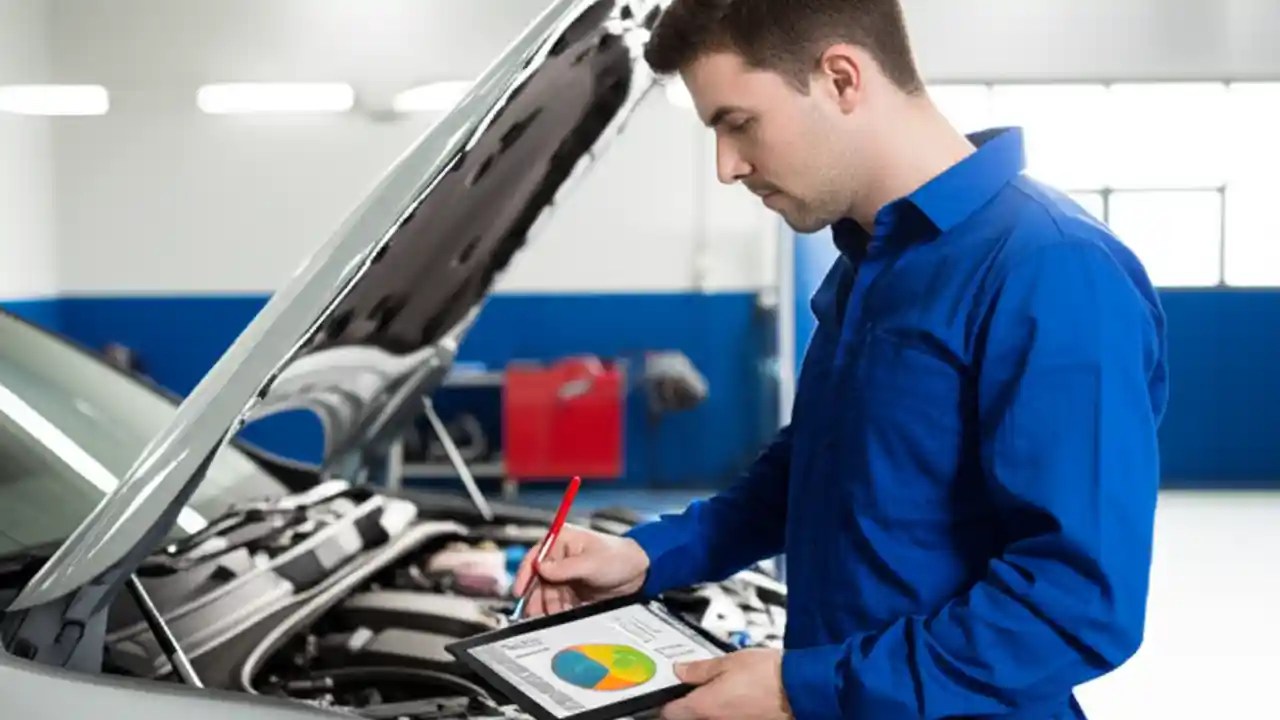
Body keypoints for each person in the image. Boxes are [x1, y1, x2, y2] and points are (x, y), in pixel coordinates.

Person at [513, 1, 1169, 718]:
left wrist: (805, 689)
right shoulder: (866, 260)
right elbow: (813, 472)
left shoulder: (1053, 269)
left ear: (842, 78)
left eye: (738, 123)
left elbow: (1074, 605)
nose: (728, 167)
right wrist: (647, 557)